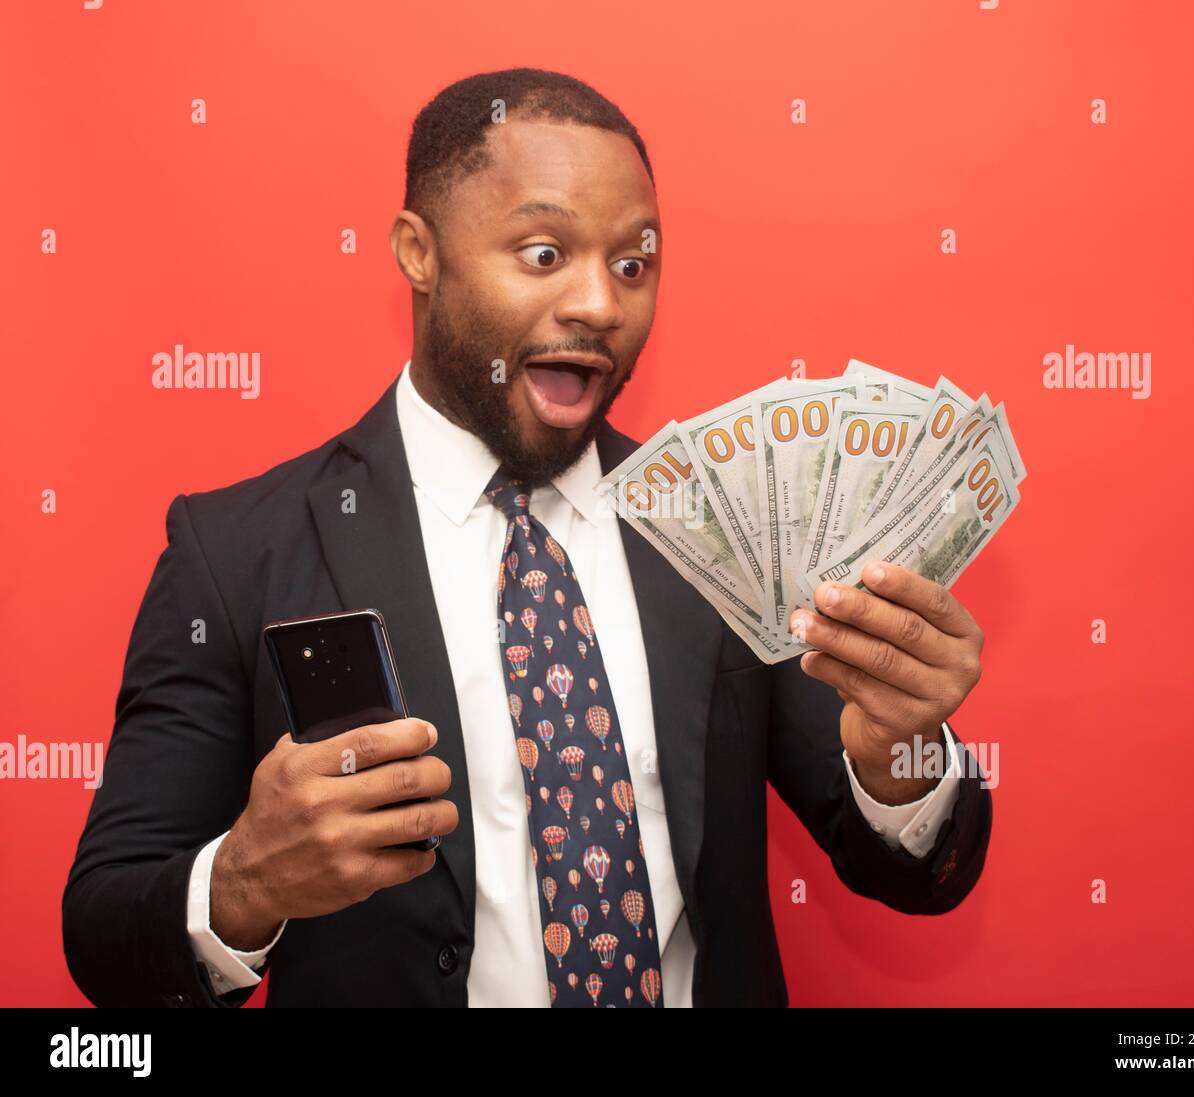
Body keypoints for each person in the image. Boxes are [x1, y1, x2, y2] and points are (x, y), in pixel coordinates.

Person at [62, 68, 992, 1008]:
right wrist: (247, 884)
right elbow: (104, 928)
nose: (601, 303)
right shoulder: (237, 554)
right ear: (419, 253)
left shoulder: (722, 529)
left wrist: (899, 752)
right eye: (545, 253)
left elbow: (913, 869)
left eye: (634, 263)